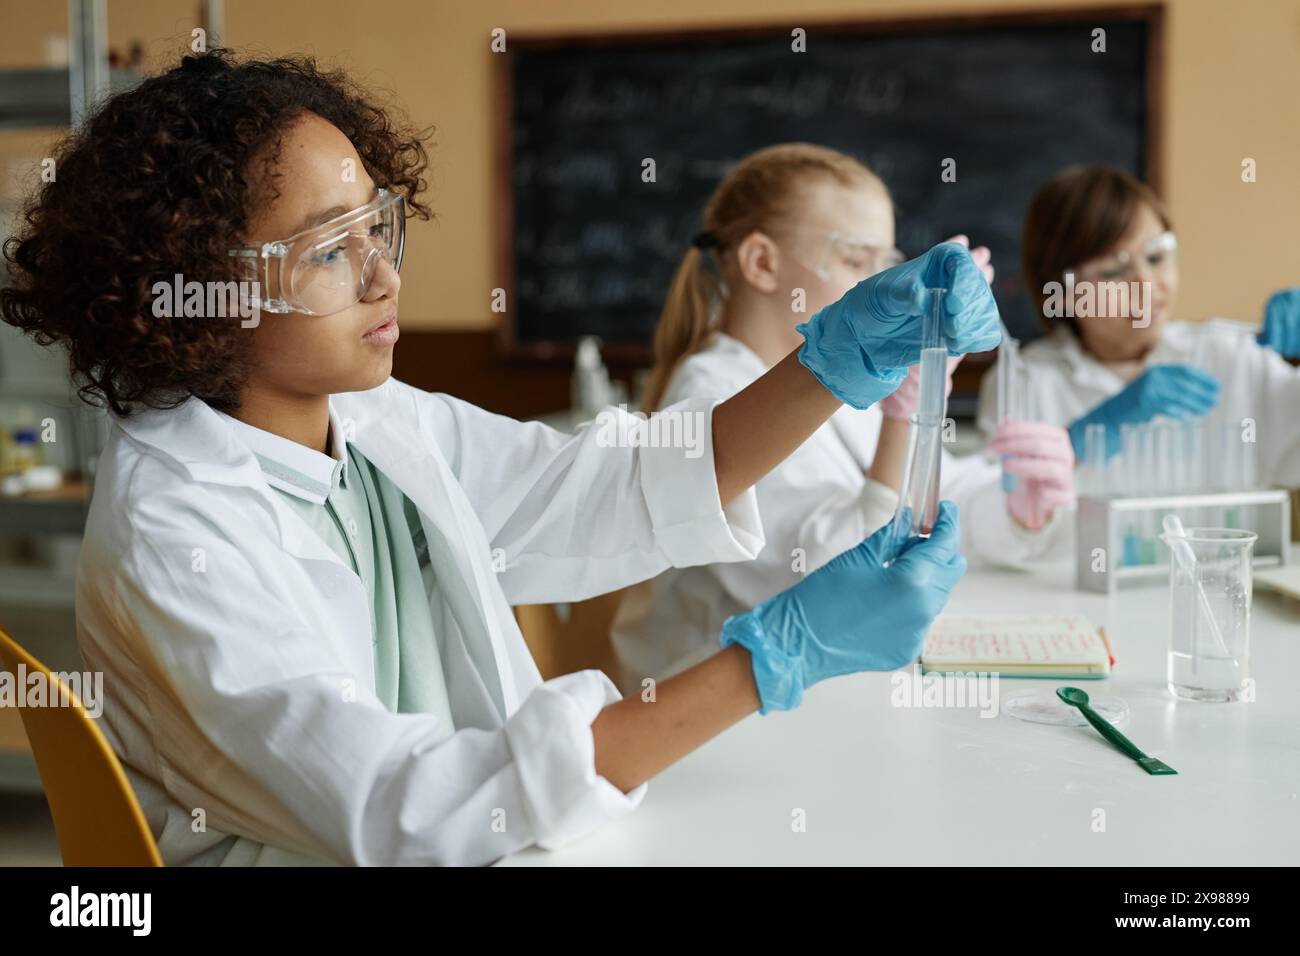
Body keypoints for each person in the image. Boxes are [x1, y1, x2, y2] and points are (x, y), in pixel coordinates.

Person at [0, 52, 996, 866]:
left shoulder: (374, 419)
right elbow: (410, 803)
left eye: (376, 225)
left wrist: (838, 360)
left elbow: (603, 489)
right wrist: (765, 661)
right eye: (330, 249)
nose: (387, 272)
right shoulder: (175, 532)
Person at [612, 144, 1073, 689]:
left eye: (885, 264)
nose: (880, 285)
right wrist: (907, 418)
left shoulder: (839, 383)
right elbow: (837, 582)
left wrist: (1018, 505)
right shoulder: (712, 394)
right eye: (857, 261)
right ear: (762, 262)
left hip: (815, 694)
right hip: (714, 718)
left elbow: (937, 495)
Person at [976, 165, 1300, 490]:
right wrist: (1072, 446)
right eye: (1113, 272)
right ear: (1058, 293)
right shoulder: (1023, 381)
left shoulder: (1234, 358)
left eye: (1157, 257)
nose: (1146, 283)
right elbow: (991, 515)